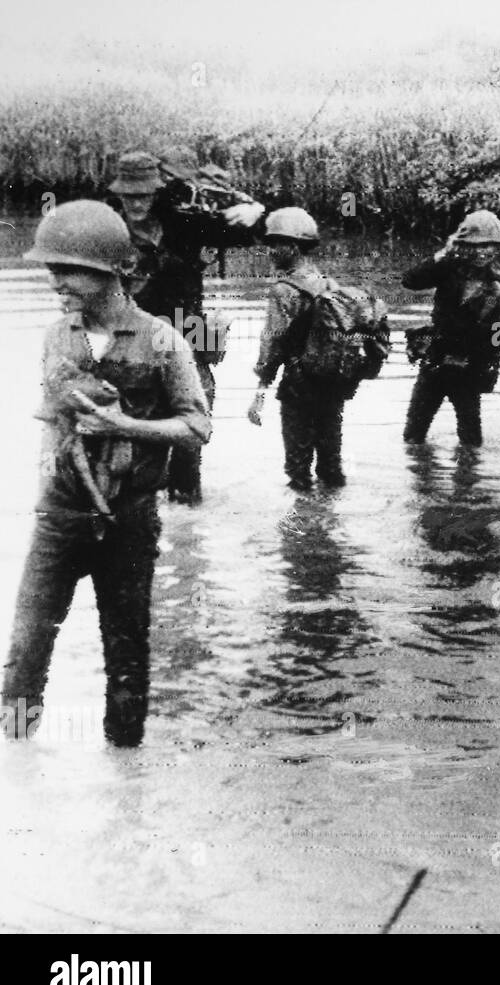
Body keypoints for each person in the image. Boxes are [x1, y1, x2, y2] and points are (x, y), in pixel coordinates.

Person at [1, 201, 211, 746]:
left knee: (126, 651)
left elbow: (197, 427)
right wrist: (49, 464)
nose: (53, 283)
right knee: (26, 646)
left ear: (107, 270)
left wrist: (123, 425)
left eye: (64, 270)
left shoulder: (162, 340)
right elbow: (51, 417)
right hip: (60, 515)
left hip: (129, 518)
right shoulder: (57, 336)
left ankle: (126, 773)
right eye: (50, 270)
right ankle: (16, 760)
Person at [107, 149, 265, 504]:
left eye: (143, 194)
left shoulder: (185, 224)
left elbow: (255, 232)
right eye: (128, 195)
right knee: (135, 465)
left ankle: (188, 538)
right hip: (134, 353)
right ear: (118, 193)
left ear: (157, 190)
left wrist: (256, 210)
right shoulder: (107, 233)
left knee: (189, 450)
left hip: (188, 344)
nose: (135, 202)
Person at [402, 210, 500, 447]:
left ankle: (469, 480)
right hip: (435, 361)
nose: (482, 252)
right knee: (413, 436)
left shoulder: (499, 287)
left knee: (470, 440)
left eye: (489, 246)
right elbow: (410, 280)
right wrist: (442, 255)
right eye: (476, 246)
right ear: (464, 246)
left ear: (497, 248)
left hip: (468, 368)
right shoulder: (448, 269)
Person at [248, 207, 352, 491]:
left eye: (275, 245)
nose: (269, 251)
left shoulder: (284, 290)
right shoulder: (329, 283)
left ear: (292, 247)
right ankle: (330, 522)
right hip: (332, 382)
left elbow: (272, 342)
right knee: (331, 463)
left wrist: (260, 391)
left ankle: (303, 527)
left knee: (298, 469)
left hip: (299, 385)